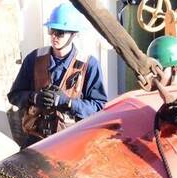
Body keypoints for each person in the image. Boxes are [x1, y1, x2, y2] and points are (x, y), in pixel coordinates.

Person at [8, 2, 108, 146]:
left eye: (60, 32)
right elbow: (14, 95)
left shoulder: (88, 64)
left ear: (73, 34)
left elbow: (99, 108)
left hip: (71, 141)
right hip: (36, 139)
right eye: (51, 30)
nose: (54, 36)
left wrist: (67, 103)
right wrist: (34, 97)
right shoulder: (34, 58)